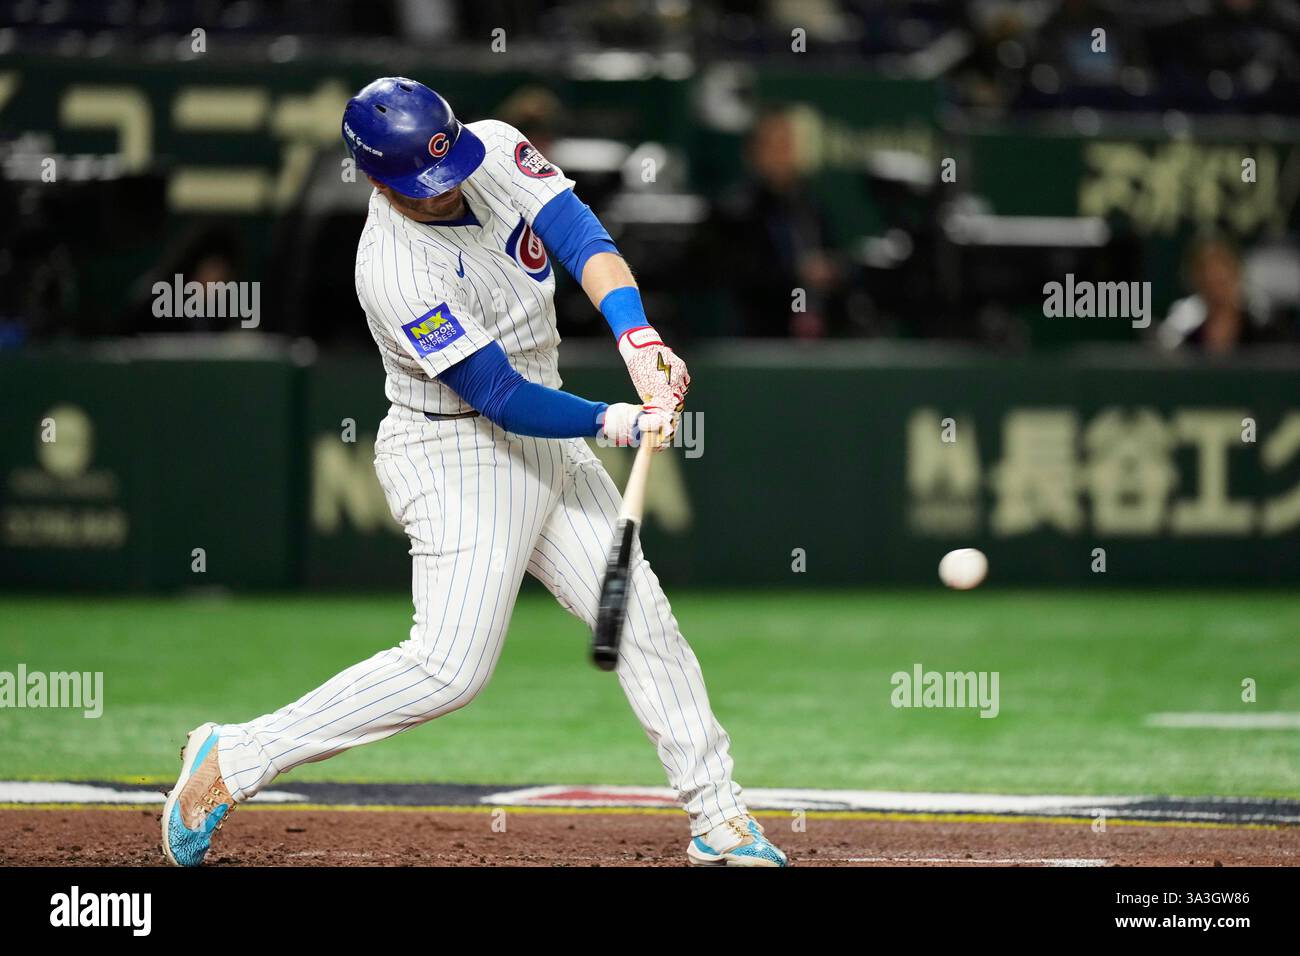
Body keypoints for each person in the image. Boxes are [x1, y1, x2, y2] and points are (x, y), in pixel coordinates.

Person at [160, 77, 787, 868]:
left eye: (449, 161)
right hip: (457, 448)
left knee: (643, 621)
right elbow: (494, 394)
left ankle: (718, 819)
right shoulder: (393, 270)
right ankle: (236, 755)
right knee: (449, 670)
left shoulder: (486, 146)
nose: (448, 183)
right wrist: (616, 419)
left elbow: (578, 231)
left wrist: (637, 338)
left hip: (545, 421)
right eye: (423, 181)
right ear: (378, 179)